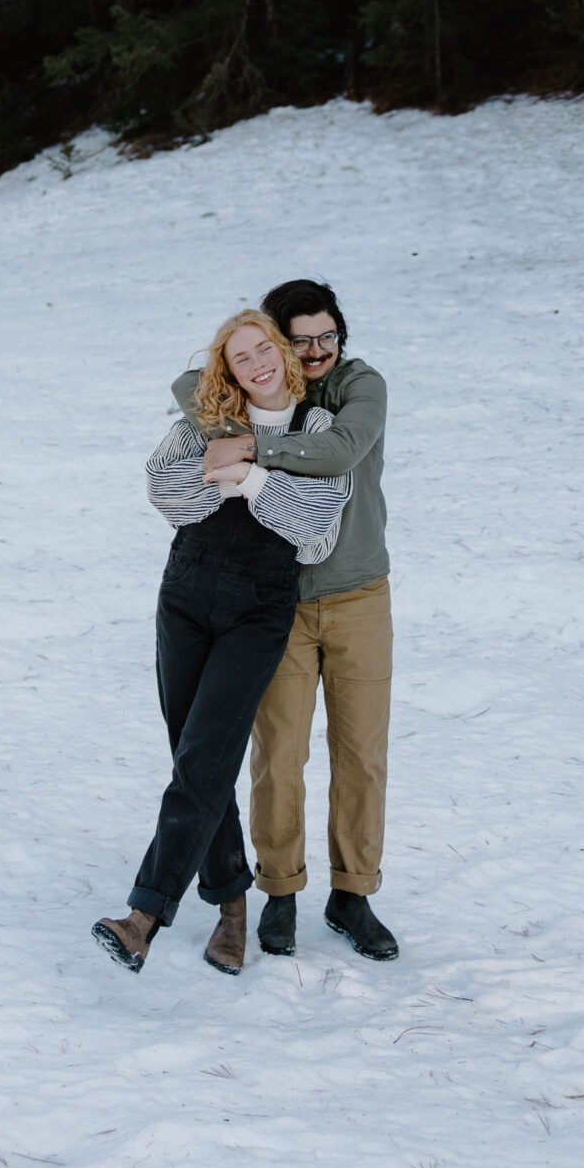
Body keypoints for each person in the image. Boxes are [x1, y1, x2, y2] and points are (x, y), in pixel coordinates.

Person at [92, 311, 350, 976]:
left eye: (265, 349)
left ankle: (143, 916)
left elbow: (314, 519)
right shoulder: (204, 425)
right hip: (184, 595)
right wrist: (221, 468)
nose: (257, 364)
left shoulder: (317, 431)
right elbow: (165, 493)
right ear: (226, 371)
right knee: (193, 761)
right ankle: (231, 905)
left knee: (206, 756)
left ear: (283, 355)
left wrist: (248, 475)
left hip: (258, 612)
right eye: (241, 359)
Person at [172, 279, 398, 963]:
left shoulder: (363, 387)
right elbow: (189, 383)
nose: (316, 350)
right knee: (280, 754)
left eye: (327, 335)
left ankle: (352, 895)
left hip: (360, 593)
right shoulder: (252, 388)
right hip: (279, 601)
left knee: (360, 752)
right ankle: (279, 893)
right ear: (274, 343)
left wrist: (250, 449)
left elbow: (336, 452)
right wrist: (234, 423)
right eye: (299, 340)